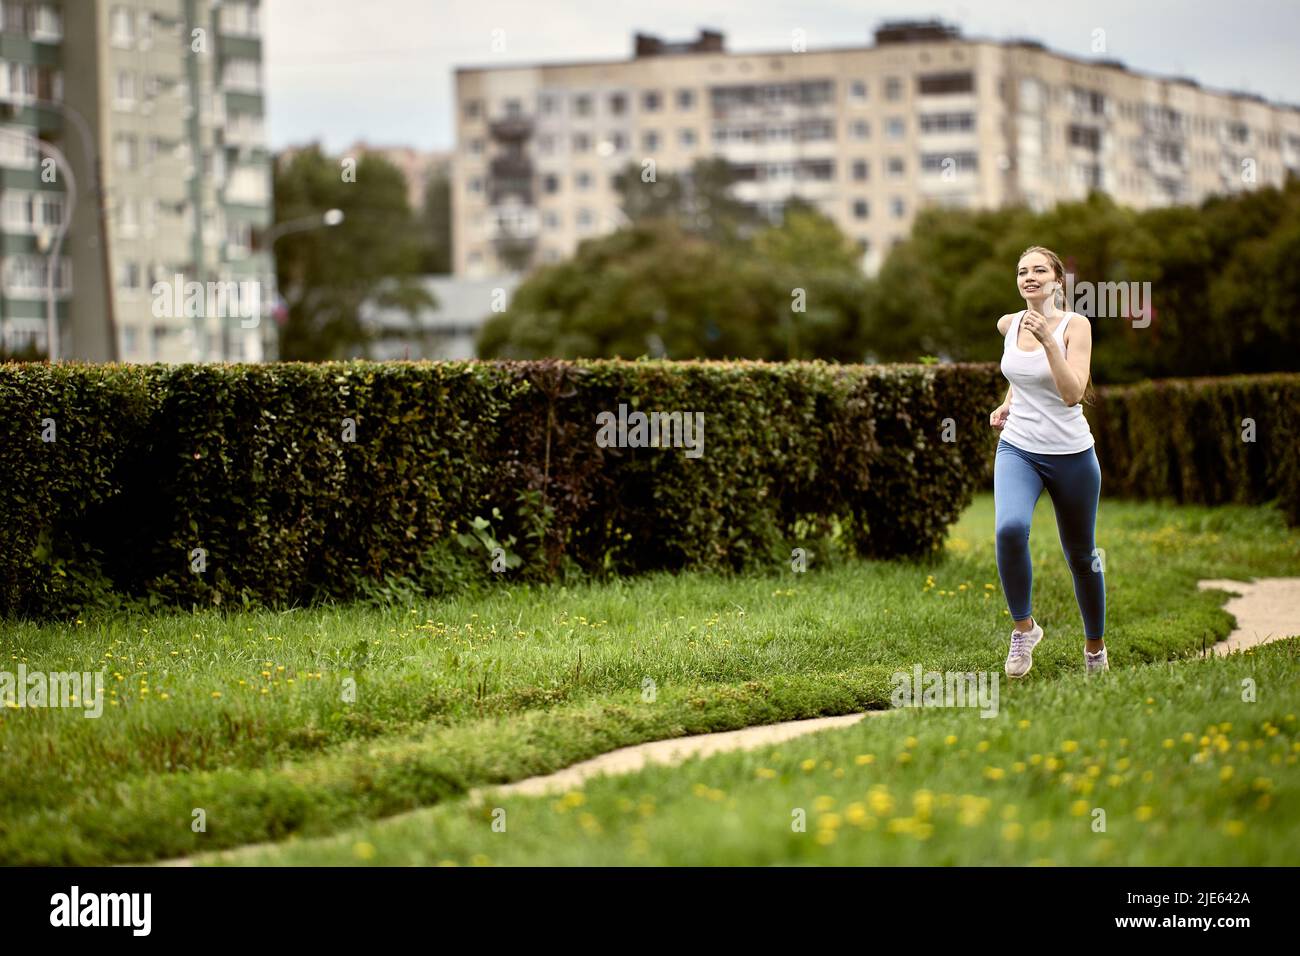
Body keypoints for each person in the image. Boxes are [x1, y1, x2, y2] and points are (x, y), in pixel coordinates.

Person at [988, 246, 1107, 678]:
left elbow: (1072, 392)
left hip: (1072, 456)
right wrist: (1007, 403)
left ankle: (1094, 647)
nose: (1029, 277)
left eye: (1039, 270)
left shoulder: (1077, 326)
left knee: (1082, 556)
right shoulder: (1008, 324)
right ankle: (1024, 628)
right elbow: (1020, 376)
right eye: (1022, 271)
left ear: (1058, 280)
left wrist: (1047, 342)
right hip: (1018, 448)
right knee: (1008, 528)